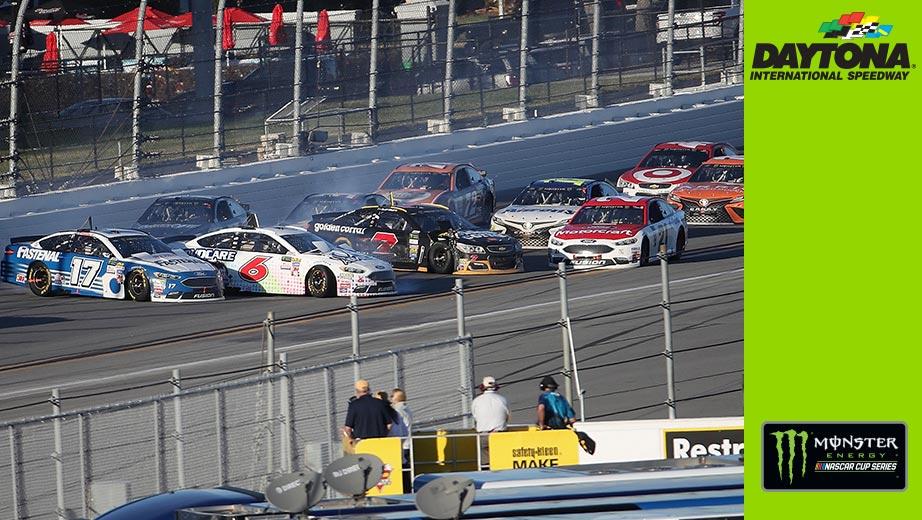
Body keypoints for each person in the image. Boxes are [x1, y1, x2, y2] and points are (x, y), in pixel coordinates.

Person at [471, 376, 510, 469]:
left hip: (483, 435)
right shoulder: (502, 399)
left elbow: (475, 416)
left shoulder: (476, 401)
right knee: (502, 461)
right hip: (500, 434)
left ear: (482, 387)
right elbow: (507, 416)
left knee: (485, 462)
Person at [342, 380, 393, 447]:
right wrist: (384, 434)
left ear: (357, 391)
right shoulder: (381, 403)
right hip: (380, 442)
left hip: (361, 443)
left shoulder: (354, 405)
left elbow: (348, 428)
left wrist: (352, 438)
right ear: (369, 389)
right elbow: (389, 425)